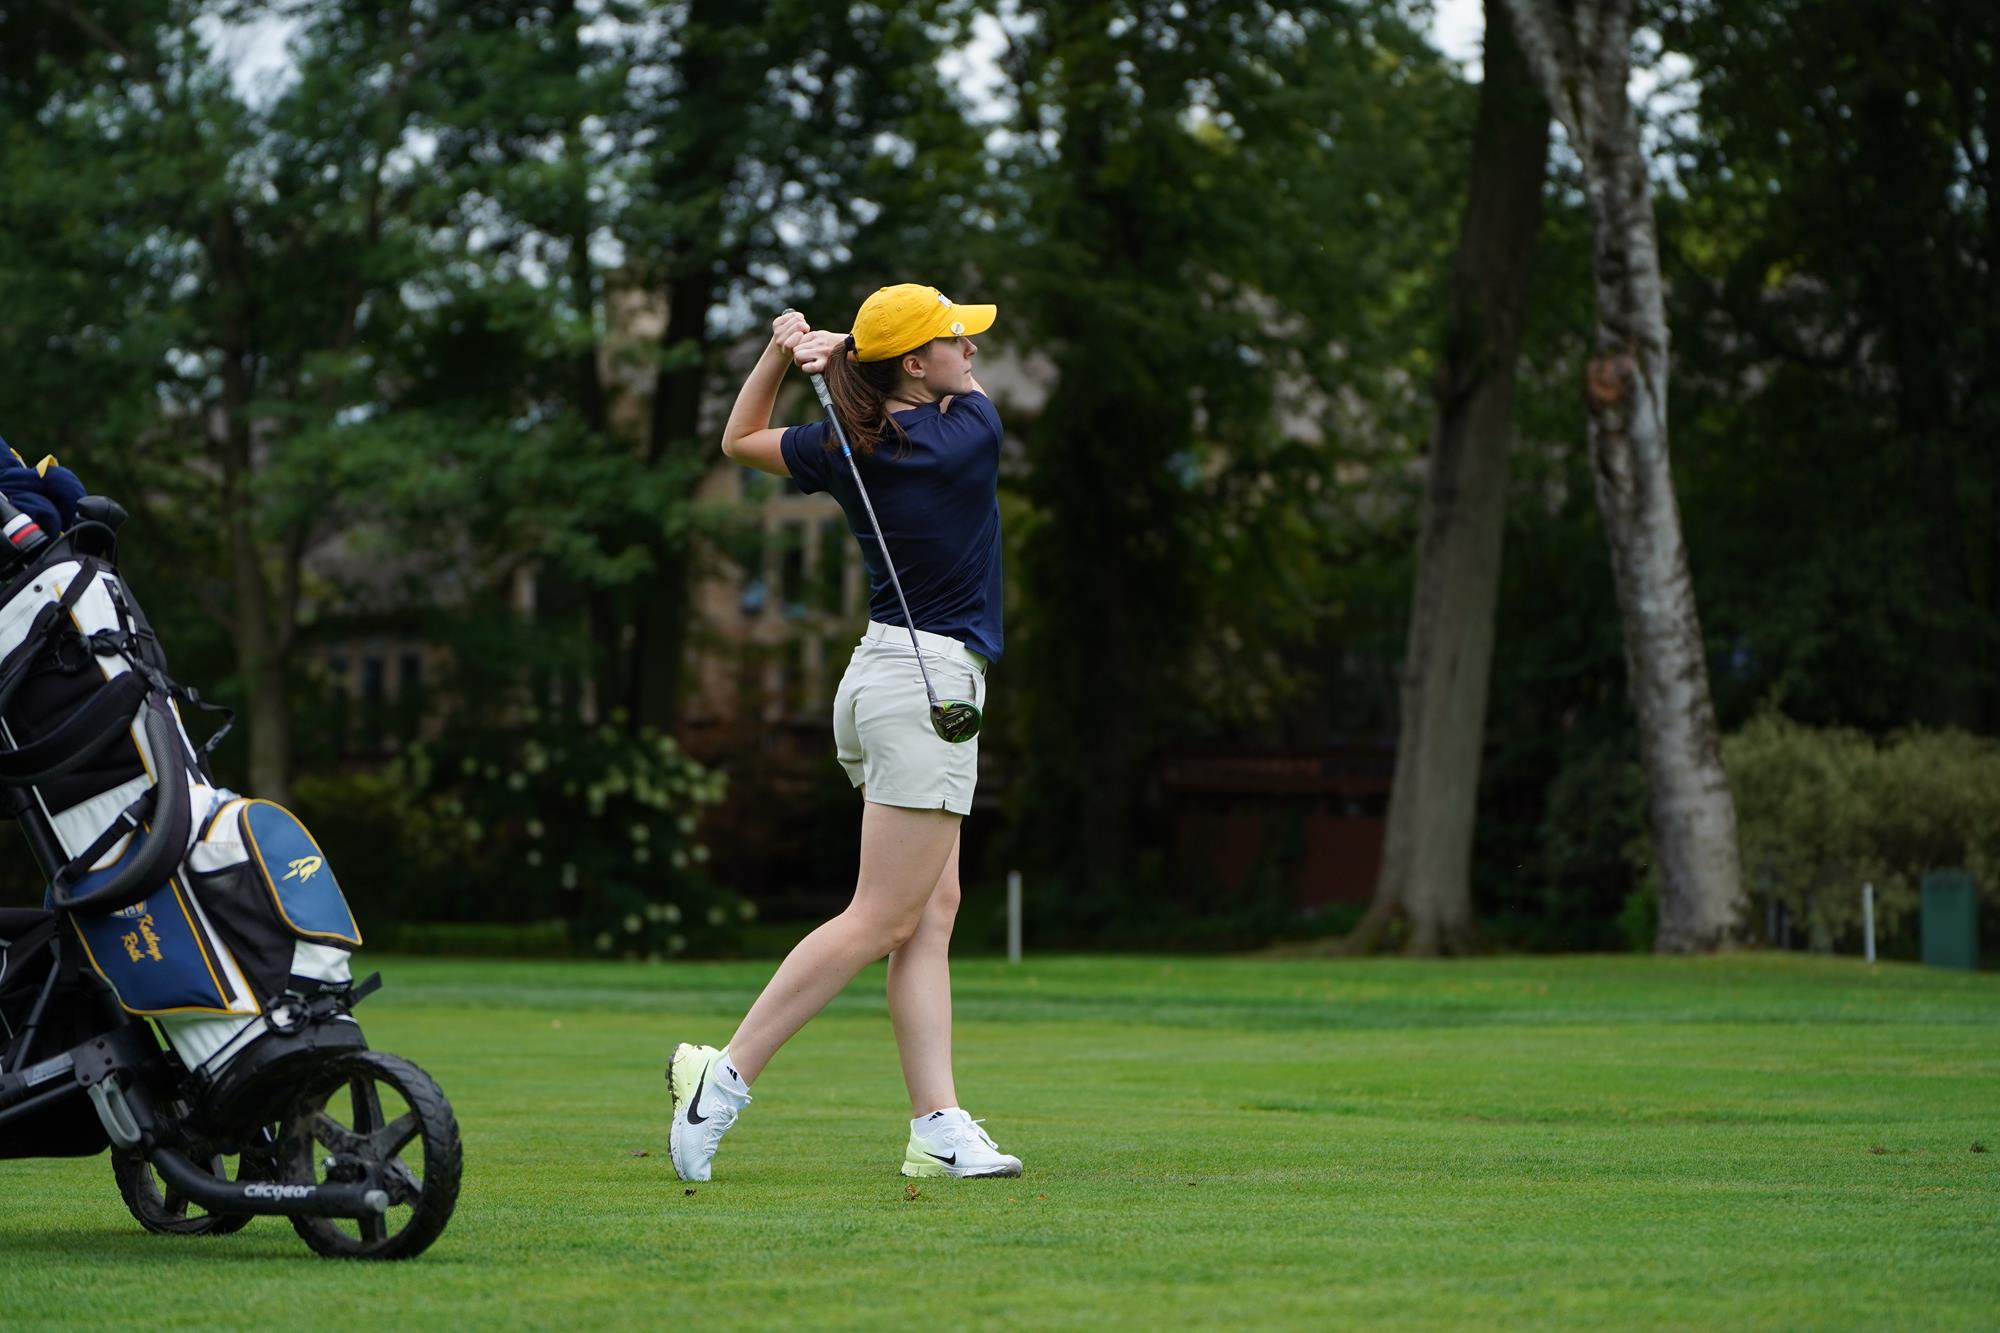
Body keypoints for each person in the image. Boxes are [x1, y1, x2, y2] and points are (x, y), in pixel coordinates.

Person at [665, 284, 1021, 1182]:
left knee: (931, 910)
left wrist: (784, 356)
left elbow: (739, 439)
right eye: (953, 339)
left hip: (877, 679)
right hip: (927, 686)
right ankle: (725, 1075)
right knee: (883, 914)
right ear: (917, 363)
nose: (969, 352)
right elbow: (964, 397)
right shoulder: (967, 431)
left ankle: (937, 1126)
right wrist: (838, 353)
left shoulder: (850, 443)